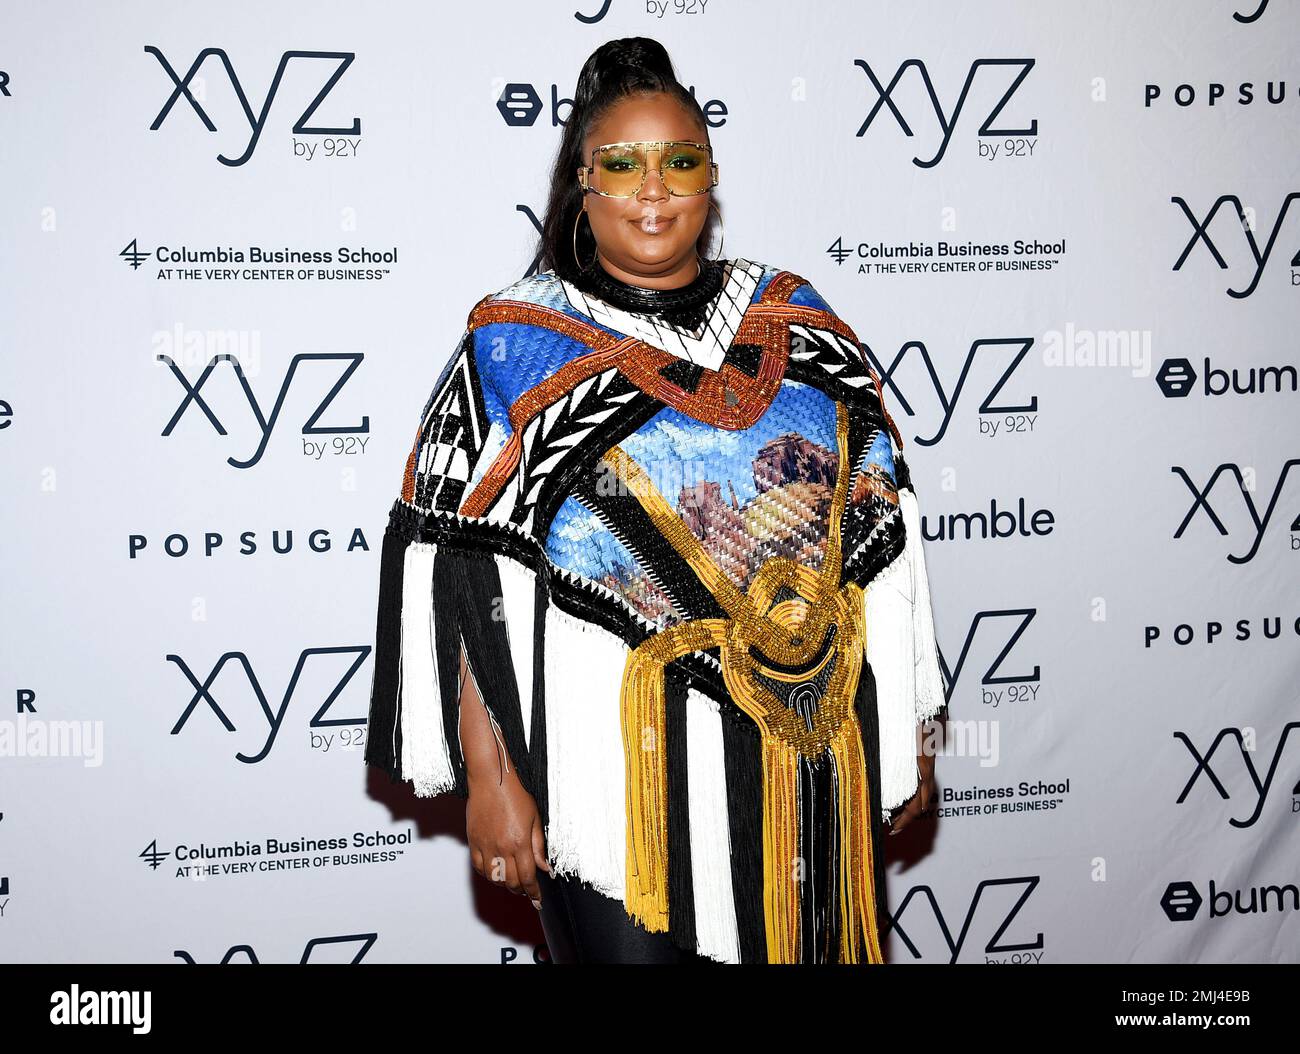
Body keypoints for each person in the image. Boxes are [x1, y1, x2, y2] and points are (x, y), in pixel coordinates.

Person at [364, 36, 944, 964]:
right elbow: (466, 572)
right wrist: (493, 776)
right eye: (621, 164)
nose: (653, 188)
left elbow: (882, 530)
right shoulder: (513, 344)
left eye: (681, 161)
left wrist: (907, 719)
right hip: (608, 795)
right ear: (581, 186)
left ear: (711, 179)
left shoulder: (802, 319)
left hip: (810, 765)